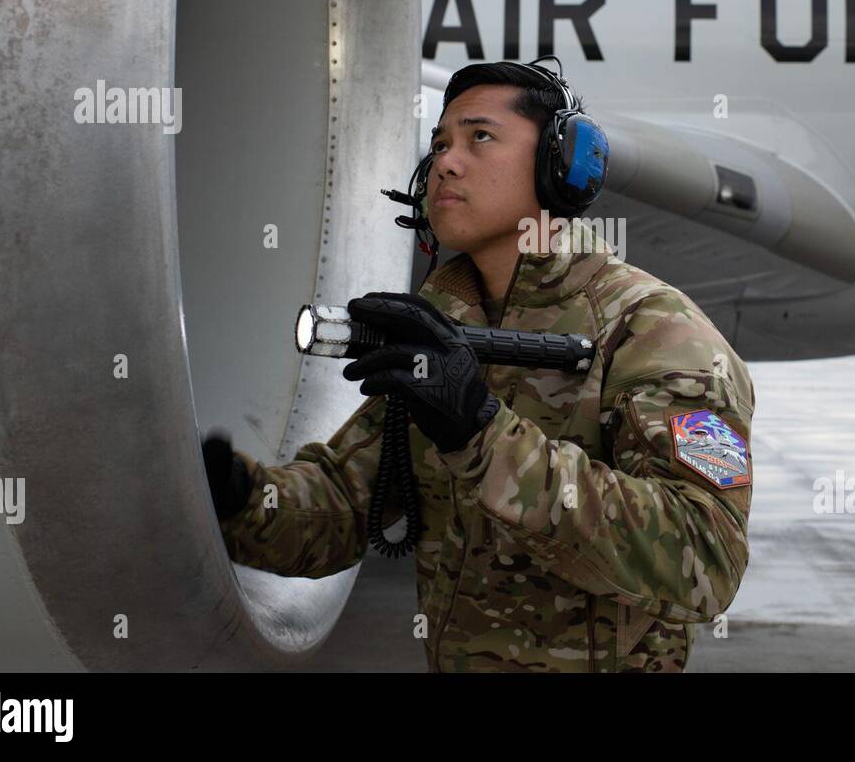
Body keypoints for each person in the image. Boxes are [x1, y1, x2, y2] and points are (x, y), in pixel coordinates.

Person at [203, 57, 756, 672]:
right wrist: (236, 495)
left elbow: (703, 560)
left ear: (558, 167)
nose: (445, 160)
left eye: (480, 137)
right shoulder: (444, 326)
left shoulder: (656, 331)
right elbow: (343, 508)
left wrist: (479, 432)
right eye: (439, 142)